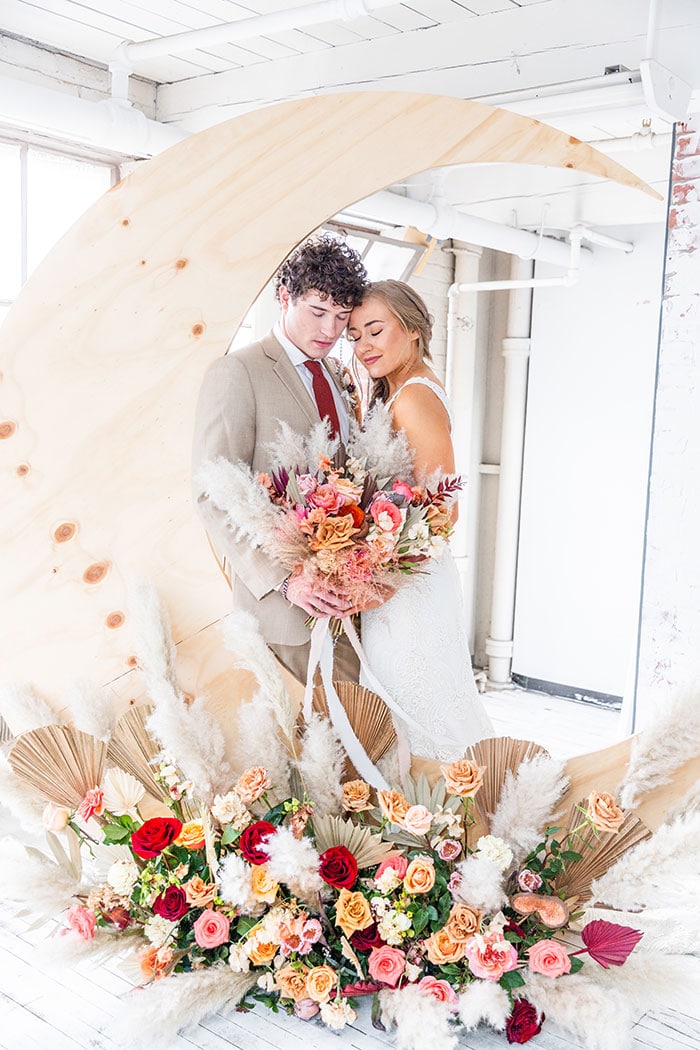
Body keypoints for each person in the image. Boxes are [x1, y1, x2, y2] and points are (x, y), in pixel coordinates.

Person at [192, 235, 368, 684]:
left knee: (346, 742)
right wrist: (286, 580)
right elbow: (214, 495)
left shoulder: (336, 375)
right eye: (317, 311)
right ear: (284, 297)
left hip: (348, 611)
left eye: (342, 317)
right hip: (279, 617)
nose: (330, 330)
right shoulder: (237, 372)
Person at [346, 279, 493, 760]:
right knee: (396, 705)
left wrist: (383, 576)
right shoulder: (398, 390)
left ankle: (444, 813)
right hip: (394, 580)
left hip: (408, 587)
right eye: (355, 335)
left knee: (418, 704)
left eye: (374, 330)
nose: (363, 346)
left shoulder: (411, 396)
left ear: (411, 329)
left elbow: (442, 510)